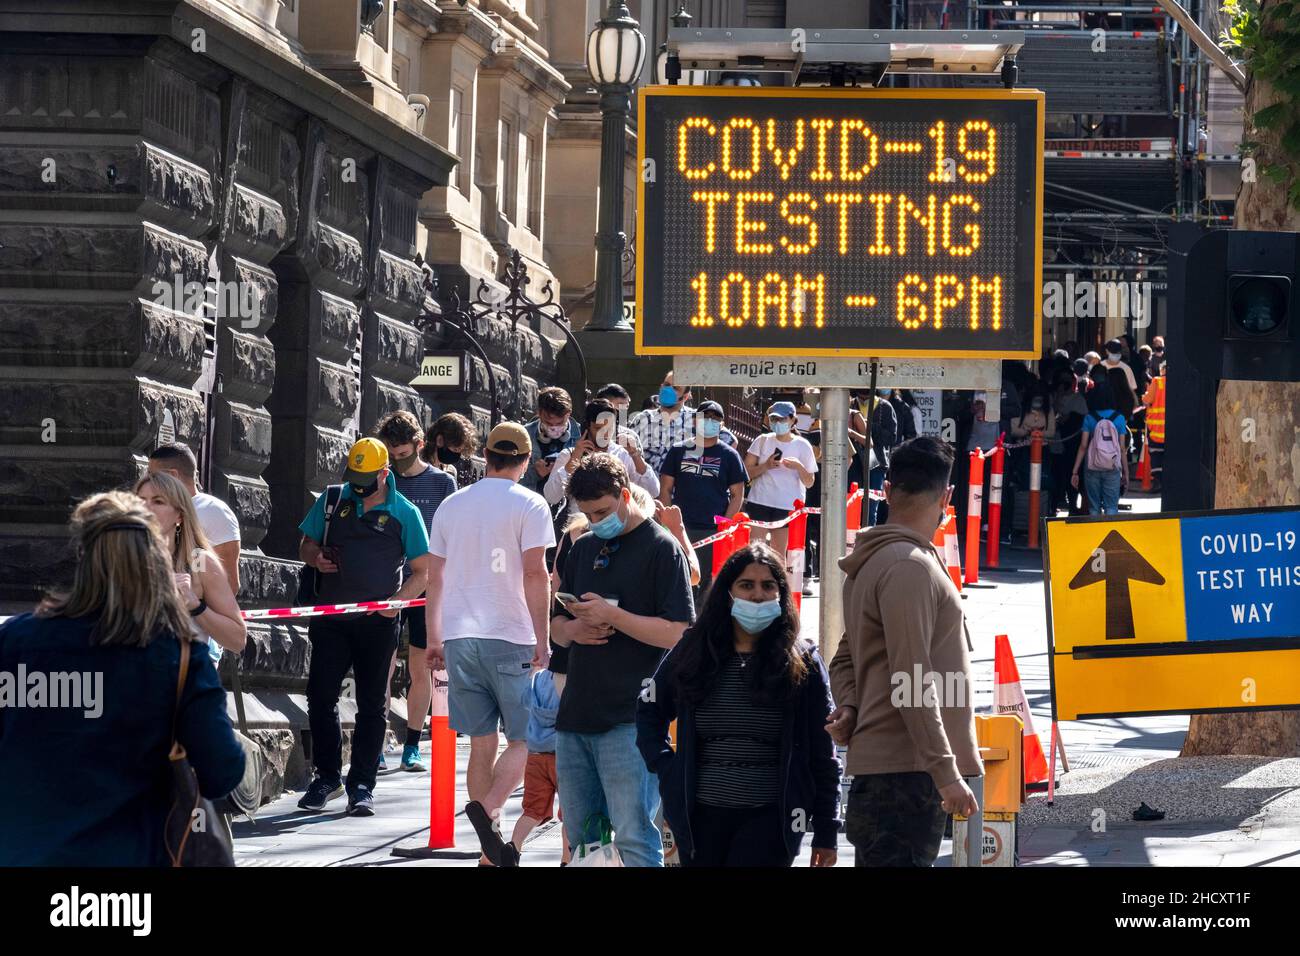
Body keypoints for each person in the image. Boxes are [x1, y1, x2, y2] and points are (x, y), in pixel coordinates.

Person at [0, 492, 245, 865]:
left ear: (82, 556)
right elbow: (222, 772)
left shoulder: (14, 641)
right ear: (154, 561)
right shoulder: (176, 656)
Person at [828, 437, 982, 867]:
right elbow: (913, 680)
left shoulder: (877, 561)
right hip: (908, 773)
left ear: (888, 488)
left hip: (896, 770)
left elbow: (846, 657)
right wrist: (946, 773)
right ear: (948, 497)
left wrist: (851, 704)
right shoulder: (909, 566)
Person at [636, 544, 840, 867]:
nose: (758, 595)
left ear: (781, 594)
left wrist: (827, 831)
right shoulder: (694, 651)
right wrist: (666, 768)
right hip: (699, 820)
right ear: (727, 593)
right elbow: (649, 709)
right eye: (746, 585)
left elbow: (823, 755)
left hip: (771, 821)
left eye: (768, 585)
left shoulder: (804, 663)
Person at [551, 454, 694, 868]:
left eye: (602, 511)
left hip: (631, 718)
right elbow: (556, 628)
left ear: (626, 495)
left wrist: (613, 616)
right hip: (576, 714)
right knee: (583, 841)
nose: (596, 522)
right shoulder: (583, 548)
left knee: (633, 836)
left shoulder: (661, 548)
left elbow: (678, 632)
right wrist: (573, 629)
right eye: (588, 514)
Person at [423, 422, 555, 866]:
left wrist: (433, 637)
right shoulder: (531, 503)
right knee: (524, 740)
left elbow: (434, 576)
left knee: (482, 742)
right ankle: (488, 808)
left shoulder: (452, 504)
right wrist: (544, 637)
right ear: (523, 459)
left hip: (460, 635)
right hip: (512, 634)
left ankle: (488, 850)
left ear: (485, 457)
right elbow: (536, 574)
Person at [297, 438, 431, 817]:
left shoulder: (404, 512)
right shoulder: (334, 499)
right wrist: (316, 557)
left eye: (365, 479)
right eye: (353, 477)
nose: (358, 485)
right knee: (320, 696)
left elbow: (424, 570)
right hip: (331, 619)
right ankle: (326, 777)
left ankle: (361, 785)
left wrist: (397, 602)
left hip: (377, 624)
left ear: (384, 474)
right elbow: (305, 545)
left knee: (372, 705)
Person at [375, 410, 458, 773]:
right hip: (389, 585)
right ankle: (375, 744)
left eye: (403, 451)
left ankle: (411, 745)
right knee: (384, 667)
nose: (397, 458)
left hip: (429, 588)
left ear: (420, 445)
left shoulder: (442, 483)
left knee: (421, 667)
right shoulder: (381, 480)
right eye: (391, 452)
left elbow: (452, 535)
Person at [134, 472, 246, 666]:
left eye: (158, 501)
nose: (146, 507)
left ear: (179, 515)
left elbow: (237, 640)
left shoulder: (197, 561)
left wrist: (195, 606)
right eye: (140, 500)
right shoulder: (119, 558)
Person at [658, 400, 747, 599]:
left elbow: (737, 494)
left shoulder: (730, 455)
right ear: (695, 420)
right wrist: (668, 522)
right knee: (681, 579)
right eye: (705, 417)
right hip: (681, 529)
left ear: (722, 425)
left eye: (715, 419)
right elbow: (665, 489)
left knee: (710, 586)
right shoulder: (678, 450)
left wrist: (724, 526)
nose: (710, 421)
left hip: (713, 532)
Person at [148, 443, 240, 599]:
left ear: (173, 475)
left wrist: (196, 607)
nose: (148, 482)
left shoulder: (213, 510)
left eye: (152, 476)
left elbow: (229, 584)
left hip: (193, 616)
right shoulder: (157, 509)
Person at [507, 665, 571, 866]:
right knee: (571, 814)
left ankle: (514, 846)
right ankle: (566, 860)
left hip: (535, 756)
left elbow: (525, 699)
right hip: (565, 755)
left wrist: (533, 672)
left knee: (532, 811)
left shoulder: (539, 678)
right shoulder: (572, 677)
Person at [545, 399, 659, 507]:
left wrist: (635, 455)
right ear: (588, 426)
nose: (605, 434)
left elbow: (653, 491)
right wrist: (574, 459)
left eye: (609, 428)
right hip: (579, 523)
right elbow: (551, 497)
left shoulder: (623, 454)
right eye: (598, 428)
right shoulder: (569, 455)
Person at [743, 401, 817, 563]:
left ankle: (778, 587)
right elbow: (746, 472)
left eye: (781, 420)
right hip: (760, 501)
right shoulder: (762, 440)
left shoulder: (802, 445)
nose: (777, 423)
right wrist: (766, 466)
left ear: (793, 420)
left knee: (778, 555)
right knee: (754, 553)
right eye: (773, 419)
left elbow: (810, 481)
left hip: (787, 505)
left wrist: (798, 467)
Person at [1071, 376, 1130, 515]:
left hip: (1092, 466)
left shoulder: (1089, 418)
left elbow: (1083, 446)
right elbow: (1122, 448)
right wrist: (1126, 473)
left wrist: (1075, 471)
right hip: (1113, 465)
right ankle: (1110, 534)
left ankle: (1095, 535)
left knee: (1094, 507)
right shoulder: (1119, 418)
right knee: (1111, 507)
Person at [630, 373, 697, 474]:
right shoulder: (643, 419)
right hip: (647, 487)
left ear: (685, 397)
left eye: (675, 388)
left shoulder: (696, 419)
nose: (668, 390)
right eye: (666, 385)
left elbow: (725, 445)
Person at [522, 386, 582, 495]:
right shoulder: (524, 435)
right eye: (548, 423)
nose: (554, 427)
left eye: (559, 423)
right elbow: (510, 480)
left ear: (569, 413)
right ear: (539, 413)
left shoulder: (582, 437)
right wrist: (536, 473)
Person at [424, 411, 478, 477]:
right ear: (440, 440)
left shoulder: (450, 472)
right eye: (455, 449)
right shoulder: (416, 467)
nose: (457, 455)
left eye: (460, 451)